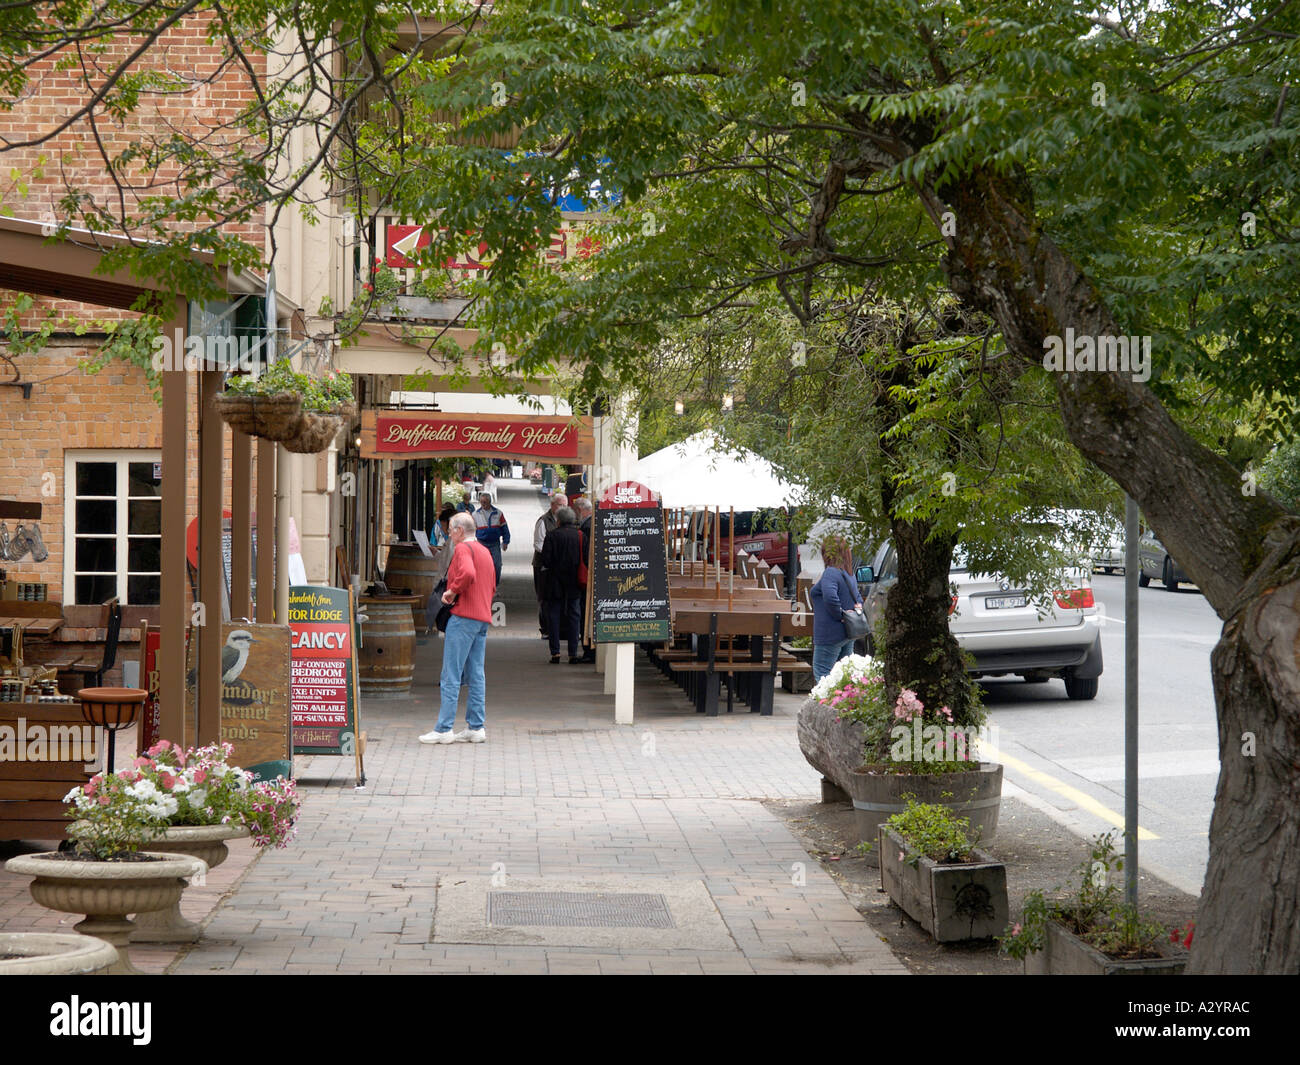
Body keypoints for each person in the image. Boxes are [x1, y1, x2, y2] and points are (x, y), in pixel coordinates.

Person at [420, 512, 496, 745]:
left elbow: (468, 574)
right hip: (481, 617)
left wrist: (452, 591)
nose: (449, 536)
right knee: (476, 673)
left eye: (451, 531)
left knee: (450, 674)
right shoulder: (484, 551)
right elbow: (492, 584)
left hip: (463, 616)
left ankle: (444, 728)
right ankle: (476, 726)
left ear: (460, 531)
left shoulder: (463, 549)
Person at [810, 534, 865, 682]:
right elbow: (858, 599)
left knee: (823, 674)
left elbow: (830, 597)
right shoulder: (849, 574)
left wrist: (840, 615)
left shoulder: (830, 572)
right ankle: (839, 705)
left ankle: (821, 705)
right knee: (842, 677)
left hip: (829, 634)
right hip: (847, 634)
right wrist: (854, 612)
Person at [541, 506, 584, 663]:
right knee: (574, 616)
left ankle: (555, 652)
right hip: (574, 582)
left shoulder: (552, 536)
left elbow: (546, 560)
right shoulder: (580, 536)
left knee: (553, 616)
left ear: (558, 520)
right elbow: (585, 558)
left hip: (555, 582)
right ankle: (573, 652)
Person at [532, 491, 567, 637]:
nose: (563, 508)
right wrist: (552, 556)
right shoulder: (543, 521)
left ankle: (558, 628)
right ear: (552, 505)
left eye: (565, 505)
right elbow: (538, 544)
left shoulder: (566, 520)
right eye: (560, 505)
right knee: (544, 596)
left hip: (558, 566)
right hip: (543, 566)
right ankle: (545, 629)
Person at [573, 497, 596, 662]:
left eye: (576, 511)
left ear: (581, 510)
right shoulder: (591, 524)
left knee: (584, 614)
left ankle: (589, 652)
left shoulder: (587, 527)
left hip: (587, 579)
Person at [472, 490, 510, 586]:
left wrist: (505, 542)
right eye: (481, 502)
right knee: (480, 566)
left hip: (494, 543)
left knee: (497, 565)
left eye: (485, 502)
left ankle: (494, 586)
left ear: (489, 502)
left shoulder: (498, 513)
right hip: (481, 543)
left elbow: (505, 528)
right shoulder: (475, 515)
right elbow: (471, 531)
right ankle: (482, 585)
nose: (483, 504)